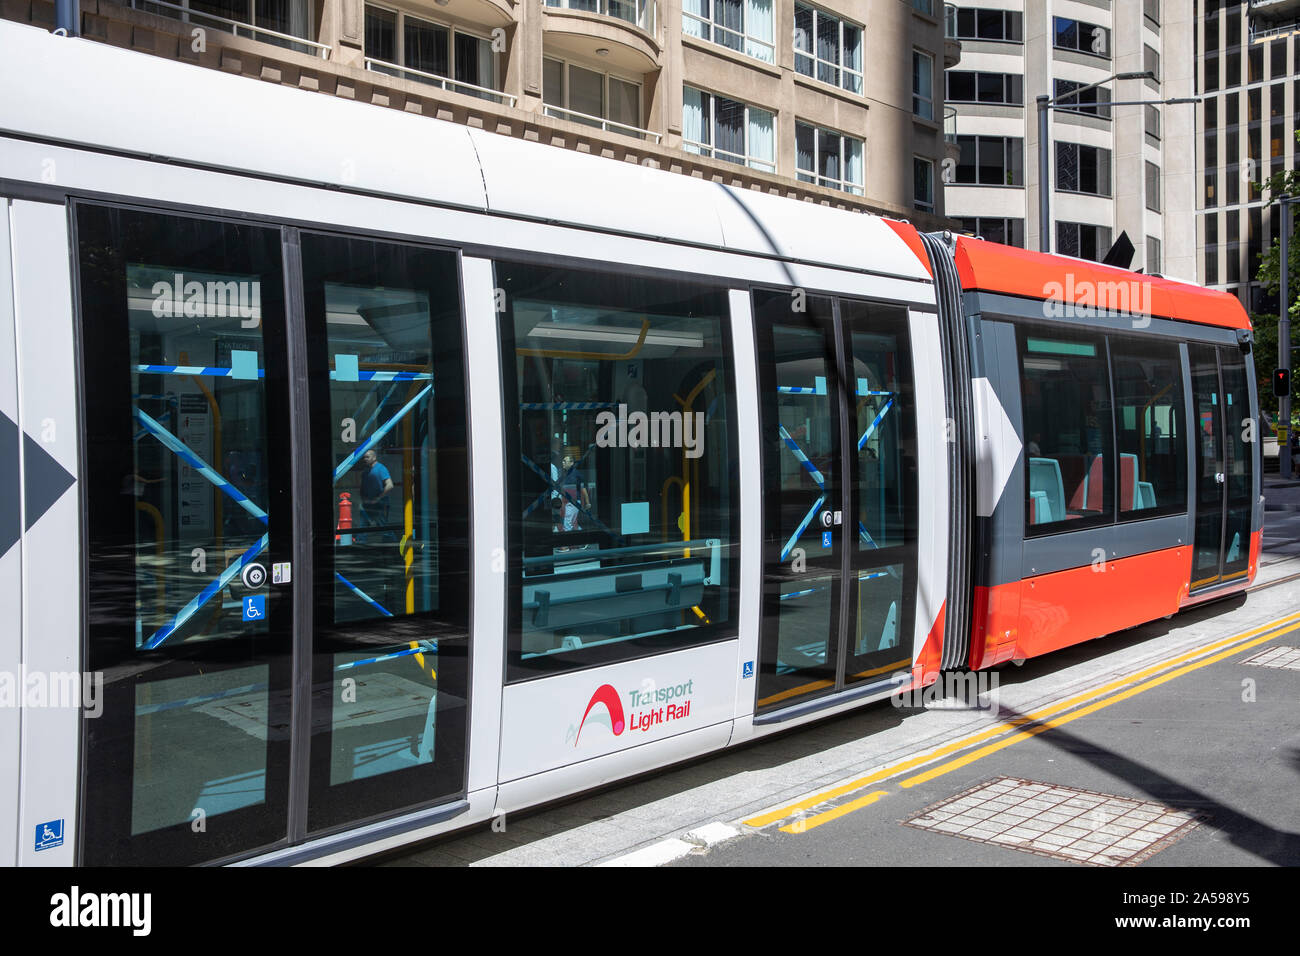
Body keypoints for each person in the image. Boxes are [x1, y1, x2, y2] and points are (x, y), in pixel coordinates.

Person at [358, 448, 394, 539]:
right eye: (364, 457)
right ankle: (359, 543)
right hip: (367, 503)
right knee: (363, 526)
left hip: (380, 503)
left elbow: (390, 485)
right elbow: (363, 488)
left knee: (383, 525)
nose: (365, 459)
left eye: (367, 457)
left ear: (374, 457)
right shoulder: (366, 471)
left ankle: (391, 543)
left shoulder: (381, 468)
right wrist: (363, 499)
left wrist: (378, 498)